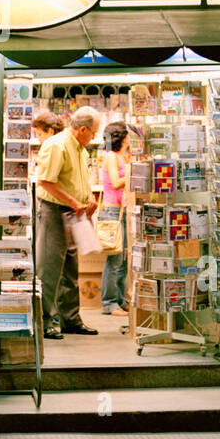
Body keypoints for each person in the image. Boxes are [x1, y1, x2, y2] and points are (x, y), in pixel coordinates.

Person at [34, 106, 100, 337]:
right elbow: (45, 181)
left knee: (71, 267)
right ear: (83, 129)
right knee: (50, 267)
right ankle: (44, 321)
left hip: (74, 212)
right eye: (93, 133)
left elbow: (81, 178)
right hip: (54, 209)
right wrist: (74, 202)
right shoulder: (56, 145)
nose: (94, 138)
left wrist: (89, 196)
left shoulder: (81, 149)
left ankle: (70, 319)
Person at [99, 122, 131, 315]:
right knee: (114, 260)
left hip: (121, 211)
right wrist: (133, 173)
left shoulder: (121, 157)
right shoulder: (112, 157)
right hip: (112, 213)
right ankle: (109, 303)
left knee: (122, 260)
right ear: (122, 137)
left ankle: (119, 299)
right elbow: (115, 182)